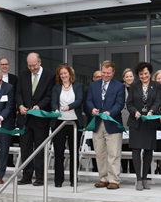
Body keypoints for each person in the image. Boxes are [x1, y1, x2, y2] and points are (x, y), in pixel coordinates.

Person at [84, 60, 126, 190]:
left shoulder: (119, 86)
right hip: (97, 123)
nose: (105, 75)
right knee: (100, 153)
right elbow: (88, 100)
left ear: (113, 72)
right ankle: (103, 178)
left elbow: (120, 104)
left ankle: (114, 179)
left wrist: (110, 112)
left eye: (108, 73)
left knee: (113, 153)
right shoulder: (94, 85)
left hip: (112, 123)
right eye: (103, 72)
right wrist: (92, 109)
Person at [15, 52, 55, 186]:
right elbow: (18, 92)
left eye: (34, 66)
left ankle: (40, 177)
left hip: (40, 119)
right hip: (25, 118)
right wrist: (20, 105)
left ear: (40, 62)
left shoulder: (49, 76)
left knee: (39, 149)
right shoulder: (23, 74)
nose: (32, 69)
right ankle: (26, 175)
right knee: (25, 148)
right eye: (29, 66)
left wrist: (40, 106)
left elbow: (49, 96)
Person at [125, 62, 161, 191]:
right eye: (141, 74)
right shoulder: (134, 85)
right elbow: (129, 103)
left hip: (149, 121)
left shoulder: (156, 86)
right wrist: (135, 111)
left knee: (148, 151)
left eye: (146, 73)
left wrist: (152, 111)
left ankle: (145, 178)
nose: (144, 76)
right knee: (136, 150)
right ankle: (138, 179)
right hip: (136, 122)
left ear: (150, 73)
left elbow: (158, 101)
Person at [51, 64, 84, 188]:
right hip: (59, 122)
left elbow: (79, 100)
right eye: (61, 74)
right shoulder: (56, 88)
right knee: (58, 152)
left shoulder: (78, 86)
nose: (64, 75)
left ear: (70, 74)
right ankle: (58, 180)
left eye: (65, 73)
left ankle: (73, 179)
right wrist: (55, 109)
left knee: (73, 152)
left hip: (74, 122)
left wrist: (69, 107)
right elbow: (53, 102)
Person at [0, 57, 20, 168]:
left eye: (6, 64)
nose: (4, 66)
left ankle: (9, 162)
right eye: (2, 64)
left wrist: (16, 108)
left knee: (9, 138)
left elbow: (17, 94)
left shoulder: (14, 78)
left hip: (10, 112)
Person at [120, 68, 136, 174]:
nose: (129, 78)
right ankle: (124, 169)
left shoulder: (138, 87)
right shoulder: (120, 88)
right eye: (127, 76)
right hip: (123, 119)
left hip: (135, 119)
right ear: (124, 78)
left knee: (134, 146)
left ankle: (135, 170)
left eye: (131, 76)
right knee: (124, 146)